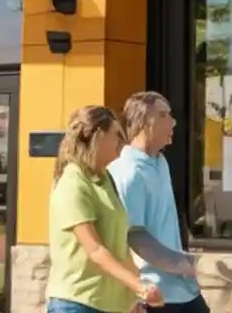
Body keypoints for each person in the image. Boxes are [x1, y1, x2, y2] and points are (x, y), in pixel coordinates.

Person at [47, 105, 163, 313]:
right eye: (116, 134)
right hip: (77, 303)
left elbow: (118, 246)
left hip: (108, 305)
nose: (123, 142)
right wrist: (139, 287)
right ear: (98, 135)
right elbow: (95, 250)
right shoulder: (73, 182)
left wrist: (133, 298)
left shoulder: (104, 178)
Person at [109, 91, 209, 312]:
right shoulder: (128, 172)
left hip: (184, 290)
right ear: (143, 122)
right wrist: (187, 264)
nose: (173, 122)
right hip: (153, 293)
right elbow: (134, 236)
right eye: (163, 115)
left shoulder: (160, 162)